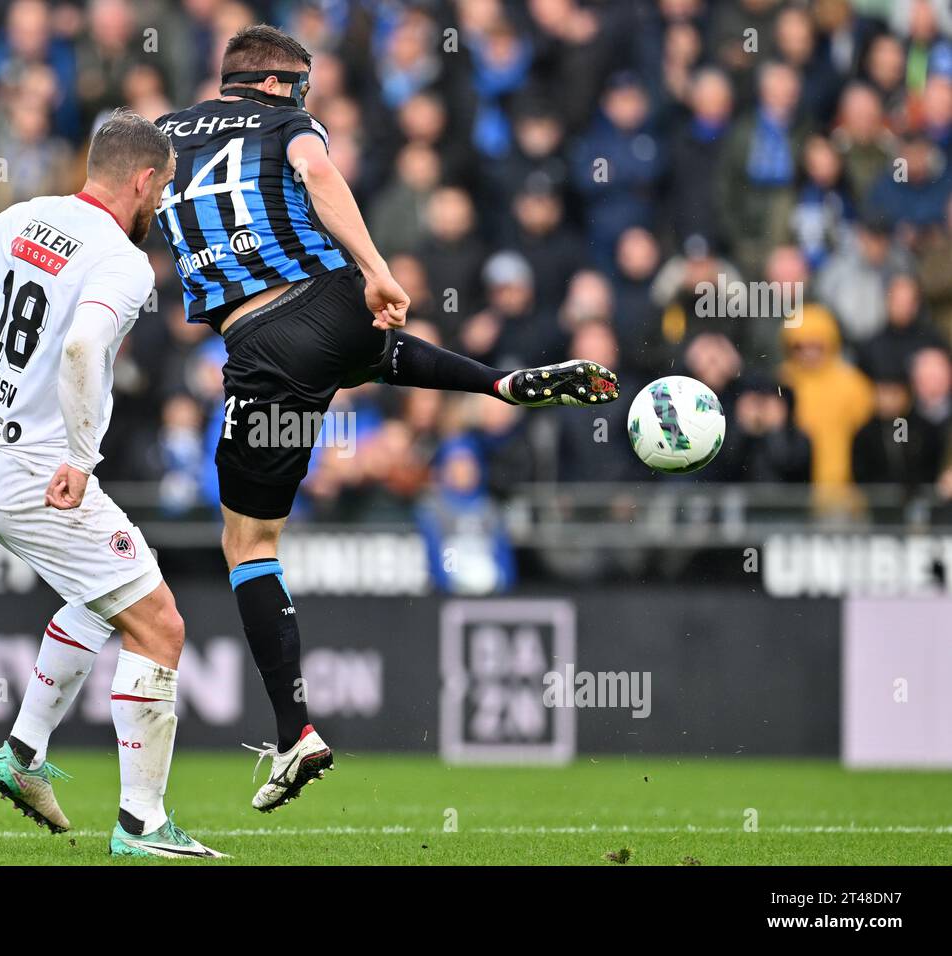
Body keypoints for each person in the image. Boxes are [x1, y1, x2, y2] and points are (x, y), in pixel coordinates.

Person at [152, 25, 620, 813]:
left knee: (248, 542)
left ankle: (295, 732)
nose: (304, 97)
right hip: (328, 303)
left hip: (262, 337)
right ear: (270, 84)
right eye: (297, 84)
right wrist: (376, 270)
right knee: (371, 352)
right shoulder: (286, 124)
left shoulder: (162, 135)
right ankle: (501, 384)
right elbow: (318, 171)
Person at [0, 111, 221, 859]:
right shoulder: (124, 263)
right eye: (164, 186)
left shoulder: (30, 214)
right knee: (160, 624)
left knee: (104, 593)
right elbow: (81, 344)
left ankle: (23, 753)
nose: (163, 202)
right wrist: (80, 456)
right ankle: (142, 824)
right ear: (142, 179)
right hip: (39, 470)